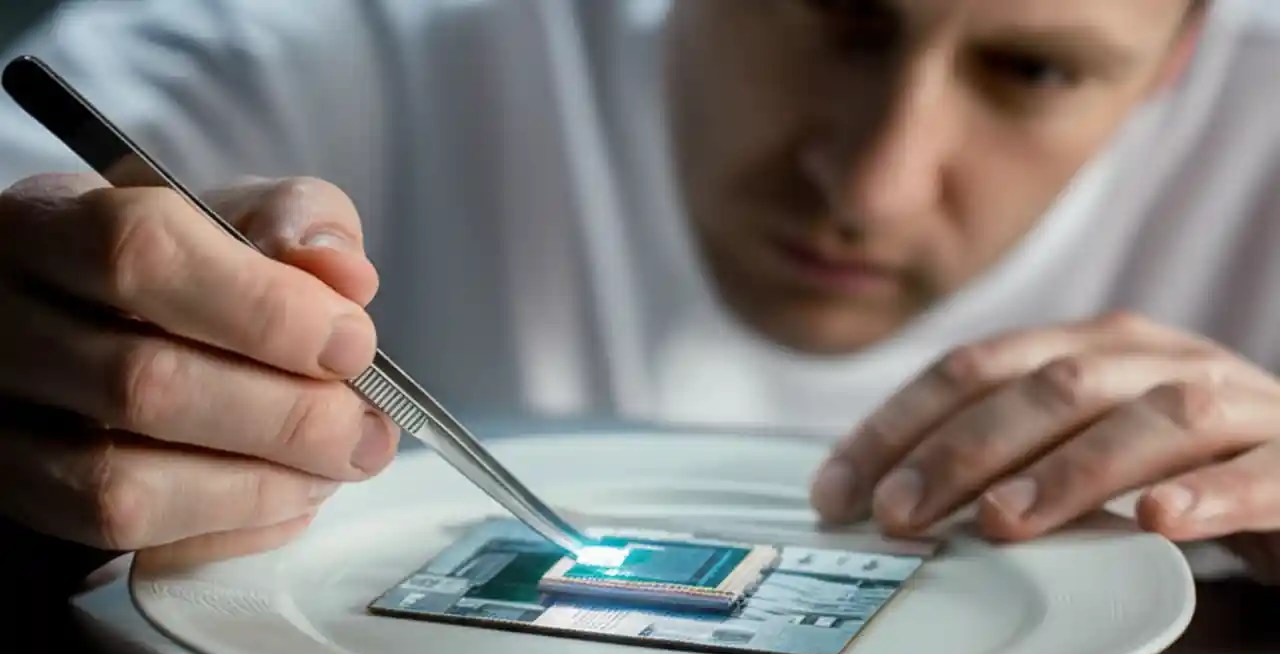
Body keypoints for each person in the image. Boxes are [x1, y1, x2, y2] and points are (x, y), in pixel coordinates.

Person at [0, 0, 1276, 585]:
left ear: (1180, 53)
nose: (872, 186)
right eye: (833, 15)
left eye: (1031, 71)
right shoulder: (319, 40)